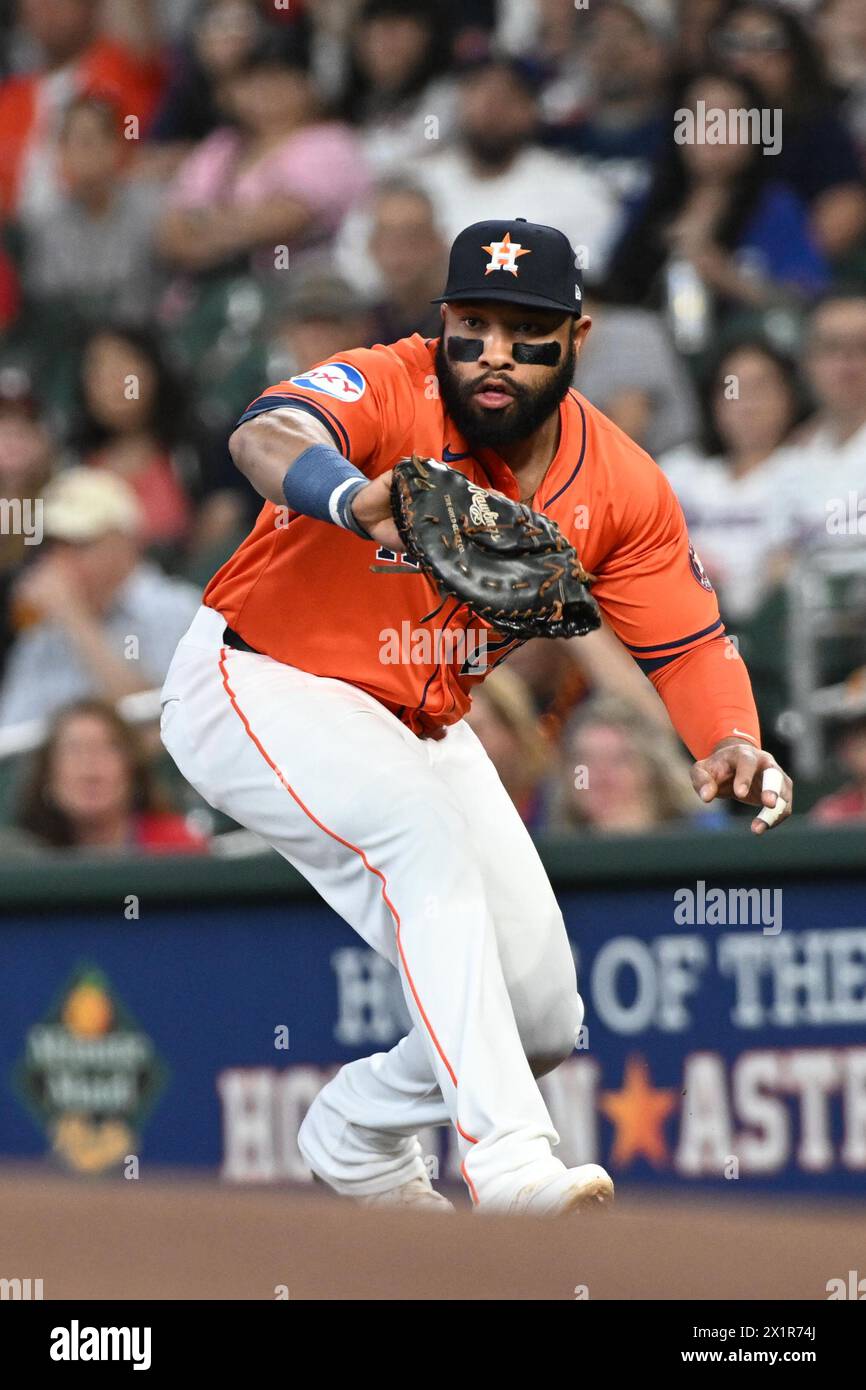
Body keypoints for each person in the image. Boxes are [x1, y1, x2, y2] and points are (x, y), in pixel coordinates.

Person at [159, 216, 792, 1218]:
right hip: (258, 679)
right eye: (474, 325)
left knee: (540, 1010)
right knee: (420, 845)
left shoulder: (619, 481)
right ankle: (509, 1164)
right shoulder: (388, 381)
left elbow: (684, 639)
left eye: (524, 329)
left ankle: (356, 1125)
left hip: (420, 718)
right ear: (441, 323)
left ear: (574, 340)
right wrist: (350, 496)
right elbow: (263, 432)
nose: (494, 353)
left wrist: (730, 736)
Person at [603, 69, 829, 320]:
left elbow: (805, 304)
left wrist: (725, 276)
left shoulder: (777, 207)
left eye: (731, 117)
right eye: (701, 116)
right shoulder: (646, 202)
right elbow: (609, 289)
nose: (715, 130)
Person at [0, 468, 200, 730]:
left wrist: (75, 618)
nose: (62, 561)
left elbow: (159, 722)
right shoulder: (45, 628)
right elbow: (10, 736)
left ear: (126, 542)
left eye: (80, 544)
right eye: (55, 546)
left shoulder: (175, 608)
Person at [157, 40, 370, 277]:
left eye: (280, 77)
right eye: (253, 79)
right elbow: (171, 231)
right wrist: (217, 232)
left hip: (299, 283)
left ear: (309, 85)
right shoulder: (220, 146)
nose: (267, 89)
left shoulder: (331, 142)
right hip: (213, 286)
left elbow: (281, 222)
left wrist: (201, 225)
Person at [414, 58, 623, 286]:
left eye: (507, 98)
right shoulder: (419, 181)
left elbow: (589, 282)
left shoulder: (575, 189)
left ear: (532, 109)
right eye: (478, 92)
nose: (491, 109)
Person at [660, 338, 806, 621]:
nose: (746, 404)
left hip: (773, 629)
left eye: (760, 388)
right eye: (731, 390)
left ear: (789, 396)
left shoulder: (808, 469)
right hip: (682, 624)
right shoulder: (679, 470)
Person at [712, 1, 866, 261]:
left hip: (781, 283)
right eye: (734, 42)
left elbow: (847, 209)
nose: (750, 58)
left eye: (769, 42)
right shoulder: (695, 121)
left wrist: (771, 272)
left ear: (795, 55)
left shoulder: (819, 129)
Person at [0, 0, 164, 219]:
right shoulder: (11, 98)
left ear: (91, 6)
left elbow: (132, 135)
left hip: (106, 225)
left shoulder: (125, 69)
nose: (46, 8)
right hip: (19, 240)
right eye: (35, 3)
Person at [19, 96, 161, 325]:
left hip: (142, 339)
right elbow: (48, 304)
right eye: (72, 142)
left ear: (116, 146)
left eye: (92, 140)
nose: (85, 153)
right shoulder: (44, 222)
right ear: (61, 152)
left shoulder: (152, 205)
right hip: (73, 344)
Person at [16, 698, 208, 853]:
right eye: (73, 749)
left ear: (132, 771)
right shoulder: (20, 857)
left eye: (106, 748)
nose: (89, 763)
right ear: (48, 775)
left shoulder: (177, 849)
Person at [545, 696, 714, 835]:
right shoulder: (546, 849)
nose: (600, 775)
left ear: (653, 770)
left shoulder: (704, 834)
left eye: (619, 760)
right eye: (585, 760)